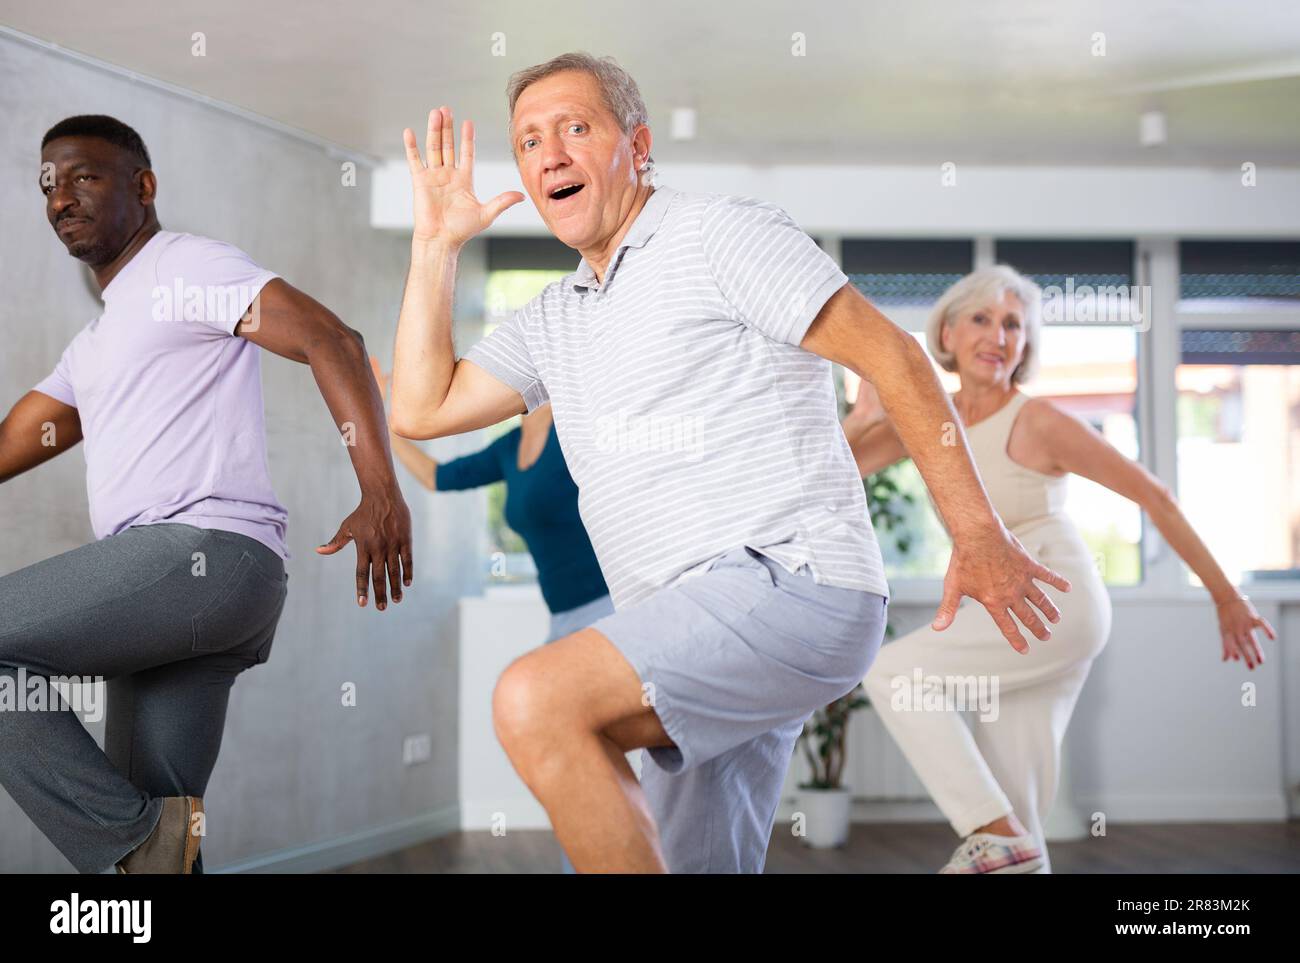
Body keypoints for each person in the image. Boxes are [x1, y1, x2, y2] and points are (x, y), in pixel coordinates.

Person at [388, 53, 1069, 874]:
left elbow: (896, 358)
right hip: (689, 616)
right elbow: (421, 410)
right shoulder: (552, 318)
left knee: (536, 700)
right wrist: (434, 246)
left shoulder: (718, 233)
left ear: (637, 145)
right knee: (694, 858)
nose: (551, 154)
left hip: (792, 580)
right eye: (529, 141)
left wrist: (976, 531)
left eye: (576, 127)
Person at [0, 115, 412, 874]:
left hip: (202, 555)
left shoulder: (184, 267)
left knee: (128, 834)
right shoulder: (93, 347)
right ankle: (141, 847)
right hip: (190, 602)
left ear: (143, 187)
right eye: (48, 185)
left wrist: (380, 488)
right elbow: (12, 443)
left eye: (83, 176)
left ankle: (128, 840)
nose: (61, 197)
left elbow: (334, 339)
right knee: (157, 835)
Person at [846, 264, 1275, 873]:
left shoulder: (1037, 420)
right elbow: (835, 468)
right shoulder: (927, 418)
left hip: (1055, 594)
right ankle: (1008, 842)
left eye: (1014, 325)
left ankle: (987, 830)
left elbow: (1156, 495)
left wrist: (1225, 596)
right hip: (1006, 607)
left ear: (1025, 346)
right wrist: (861, 421)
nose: (999, 335)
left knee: (892, 672)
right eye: (982, 318)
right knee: (1017, 811)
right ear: (946, 332)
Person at [371, 357, 612, 873]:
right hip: (566, 619)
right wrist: (380, 417)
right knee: (577, 752)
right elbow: (438, 477)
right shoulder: (509, 449)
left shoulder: (578, 426)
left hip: (612, 608)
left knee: (587, 747)